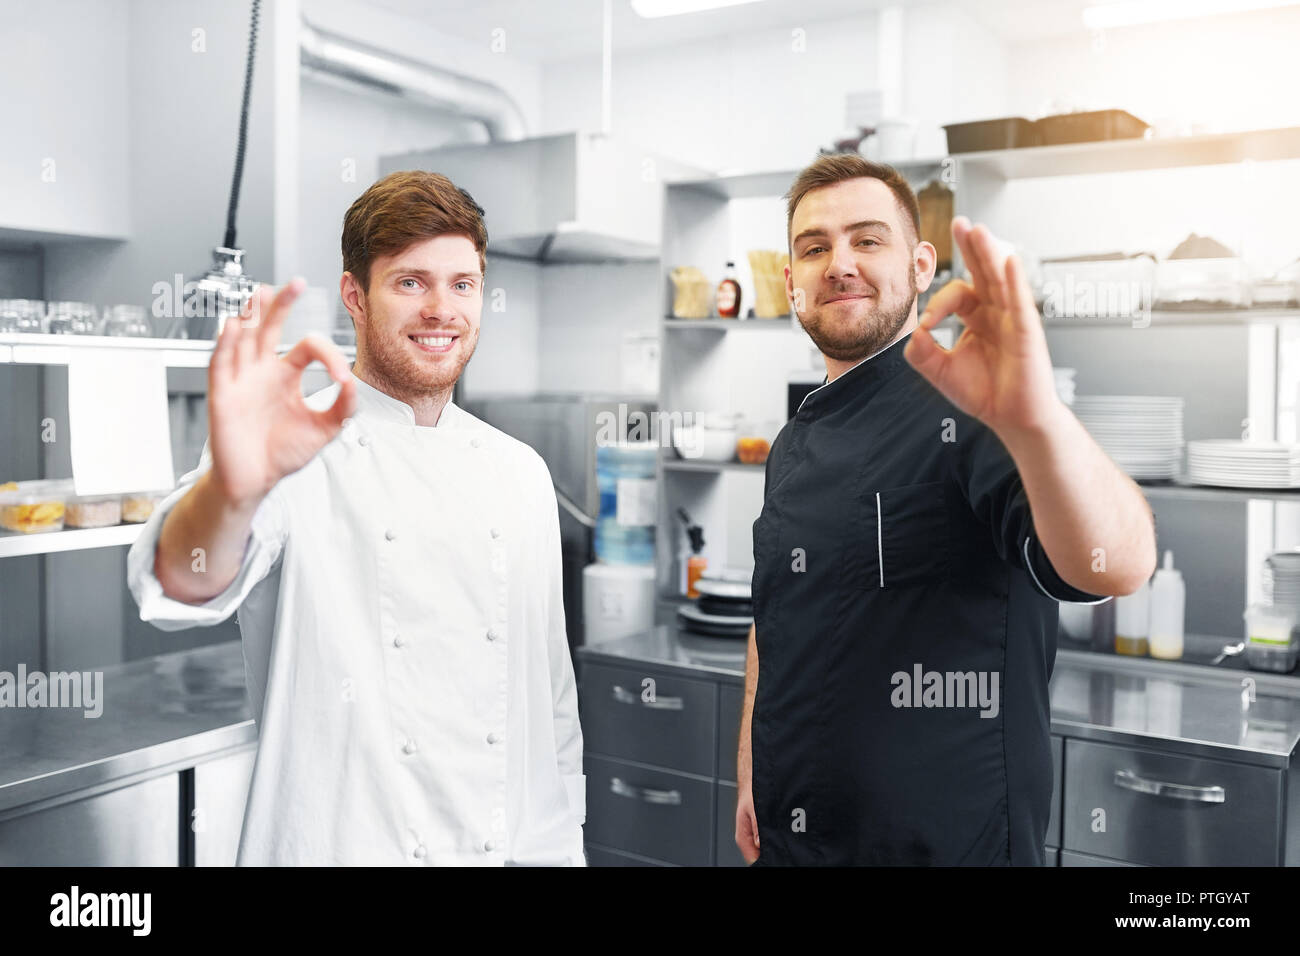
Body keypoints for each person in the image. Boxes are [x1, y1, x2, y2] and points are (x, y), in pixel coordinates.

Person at [127, 170, 585, 866]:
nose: (442, 309)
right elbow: (180, 584)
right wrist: (231, 488)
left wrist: (564, 843)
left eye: (462, 283)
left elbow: (551, 695)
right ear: (354, 298)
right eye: (410, 282)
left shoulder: (521, 471)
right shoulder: (293, 448)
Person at [734, 154, 1157, 866]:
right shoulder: (792, 441)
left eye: (868, 240)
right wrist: (753, 760)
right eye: (815, 248)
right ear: (790, 283)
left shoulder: (974, 412)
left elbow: (1115, 567)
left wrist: (1038, 421)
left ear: (920, 264)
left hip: (945, 847)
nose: (839, 264)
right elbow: (776, 611)